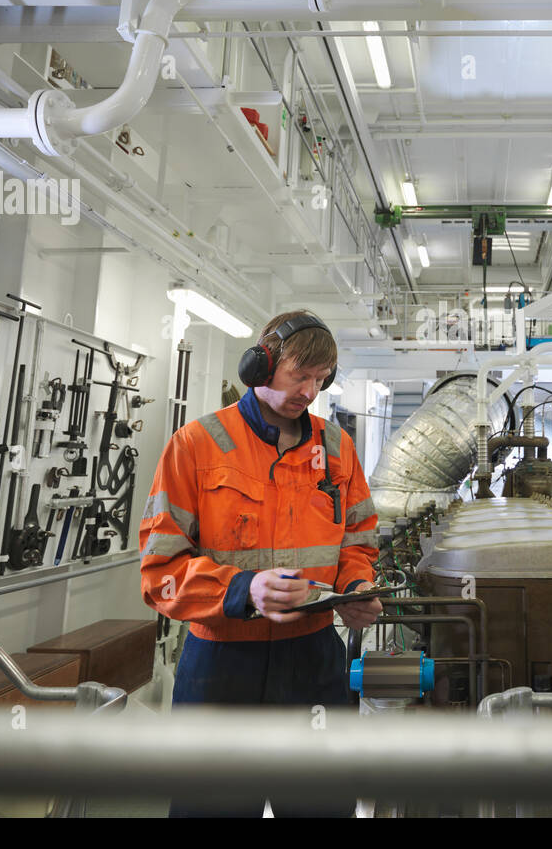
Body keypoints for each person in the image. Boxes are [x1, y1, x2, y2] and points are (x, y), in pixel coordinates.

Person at [139, 309, 382, 818]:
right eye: (300, 375)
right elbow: (160, 571)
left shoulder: (338, 450)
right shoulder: (196, 445)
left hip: (314, 662)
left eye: (320, 380)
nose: (310, 393)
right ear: (261, 366)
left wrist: (358, 586)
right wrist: (243, 590)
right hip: (222, 665)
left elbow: (358, 542)